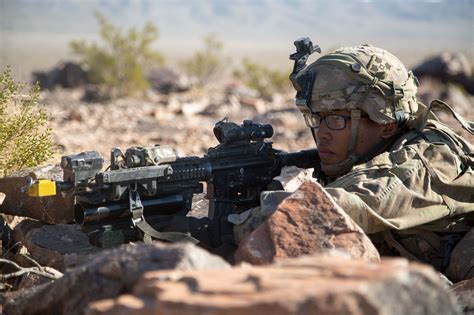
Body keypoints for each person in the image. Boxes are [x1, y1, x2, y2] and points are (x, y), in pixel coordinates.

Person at [230, 43, 473, 281]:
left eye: (336, 119)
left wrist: (228, 224)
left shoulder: (423, 163)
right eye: (316, 118)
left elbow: (331, 210)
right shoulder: (368, 151)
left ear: (386, 124)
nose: (322, 134)